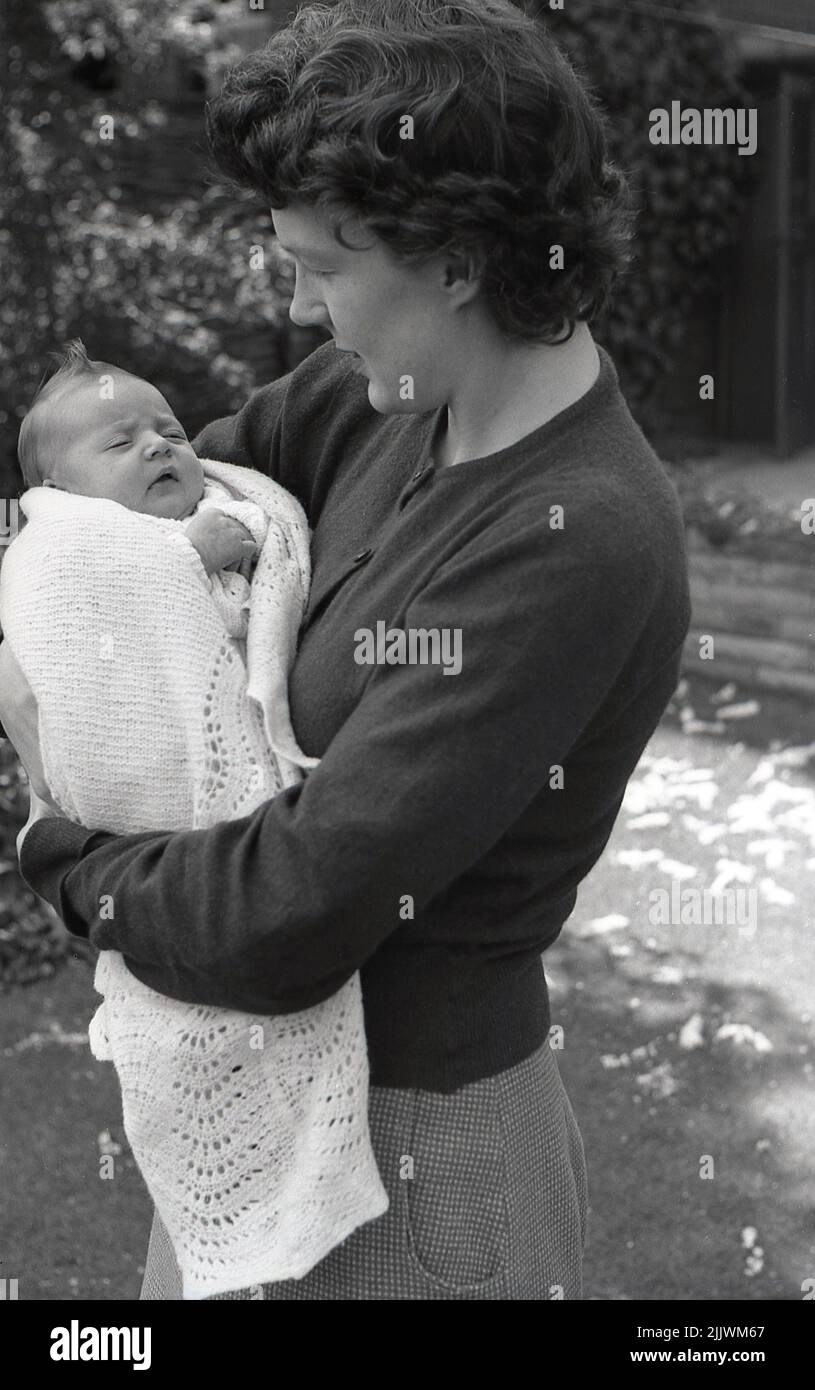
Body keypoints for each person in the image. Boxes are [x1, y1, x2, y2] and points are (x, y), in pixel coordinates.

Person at [1, 0, 691, 1299]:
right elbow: (121, 530)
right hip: (250, 1126)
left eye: (324, 265)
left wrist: (70, 861)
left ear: (454, 258)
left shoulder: (573, 535)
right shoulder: (376, 403)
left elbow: (295, 906)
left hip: (416, 1168)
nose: (302, 307)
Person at [0, 339, 388, 1300]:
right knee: (191, 1008)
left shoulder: (228, 505)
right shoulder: (68, 541)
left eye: (169, 429)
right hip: (140, 815)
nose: (162, 448)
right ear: (55, 489)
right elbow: (88, 597)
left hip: (228, 850)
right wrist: (189, 556)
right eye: (120, 442)